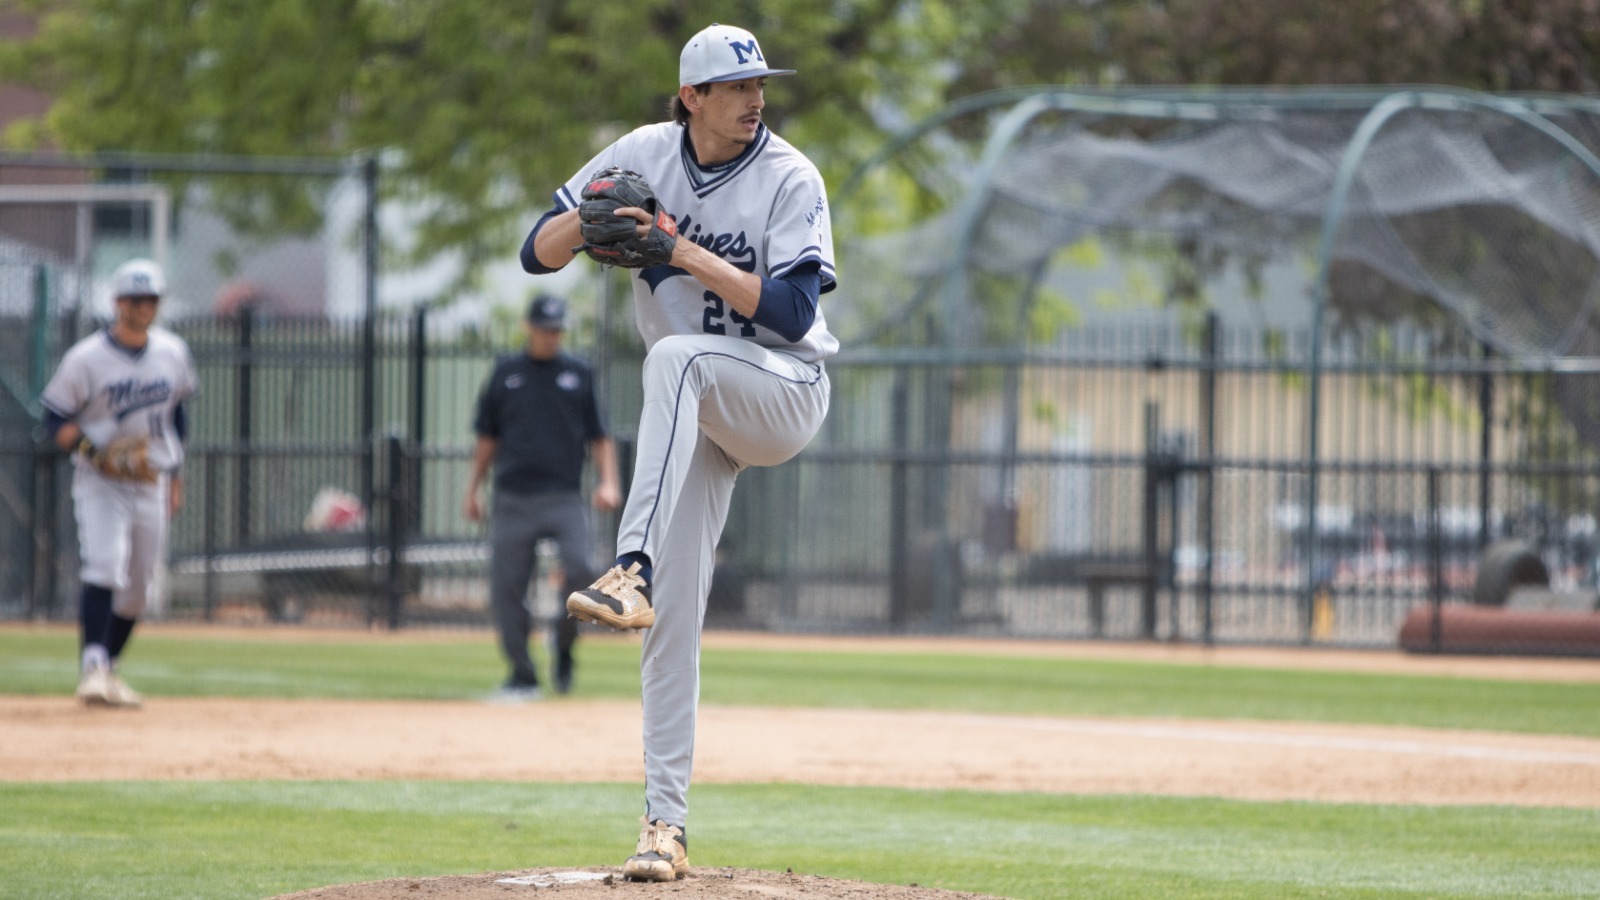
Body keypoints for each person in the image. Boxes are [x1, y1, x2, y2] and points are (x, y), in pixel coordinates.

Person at [519, 22, 837, 882]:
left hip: (780, 392)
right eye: (736, 87)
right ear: (692, 97)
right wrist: (585, 227)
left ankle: (627, 564)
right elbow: (534, 251)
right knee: (670, 627)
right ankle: (664, 827)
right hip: (695, 415)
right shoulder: (644, 154)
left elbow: (798, 314)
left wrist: (677, 249)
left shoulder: (788, 176)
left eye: (760, 85)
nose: (755, 99)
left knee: (676, 353)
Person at [39, 258, 198, 708]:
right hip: (100, 481)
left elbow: (177, 417)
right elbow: (53, 418)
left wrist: (177, 477)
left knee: (139, 586)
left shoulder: (172, 351)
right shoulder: (85, 358)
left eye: (150, 299)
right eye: (134, 298)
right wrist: (95, 453)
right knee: (104, 564)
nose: (143, 306)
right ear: (117, 302)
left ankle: (107, 668)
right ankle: (92, 667)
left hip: (151, 479)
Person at [463, 294, 621, 701]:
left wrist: (608, 482)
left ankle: (564, 645)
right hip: (513, 497)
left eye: (557, 330)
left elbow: (600, 436)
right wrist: (473, 489)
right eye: (545, 328)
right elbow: (487, 437)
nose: (552, 336)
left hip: (564, 496)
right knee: (507, 588)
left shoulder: (578, 373)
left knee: (582, 569)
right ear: (528, 327)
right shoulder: (506, 373)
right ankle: (522, 673)